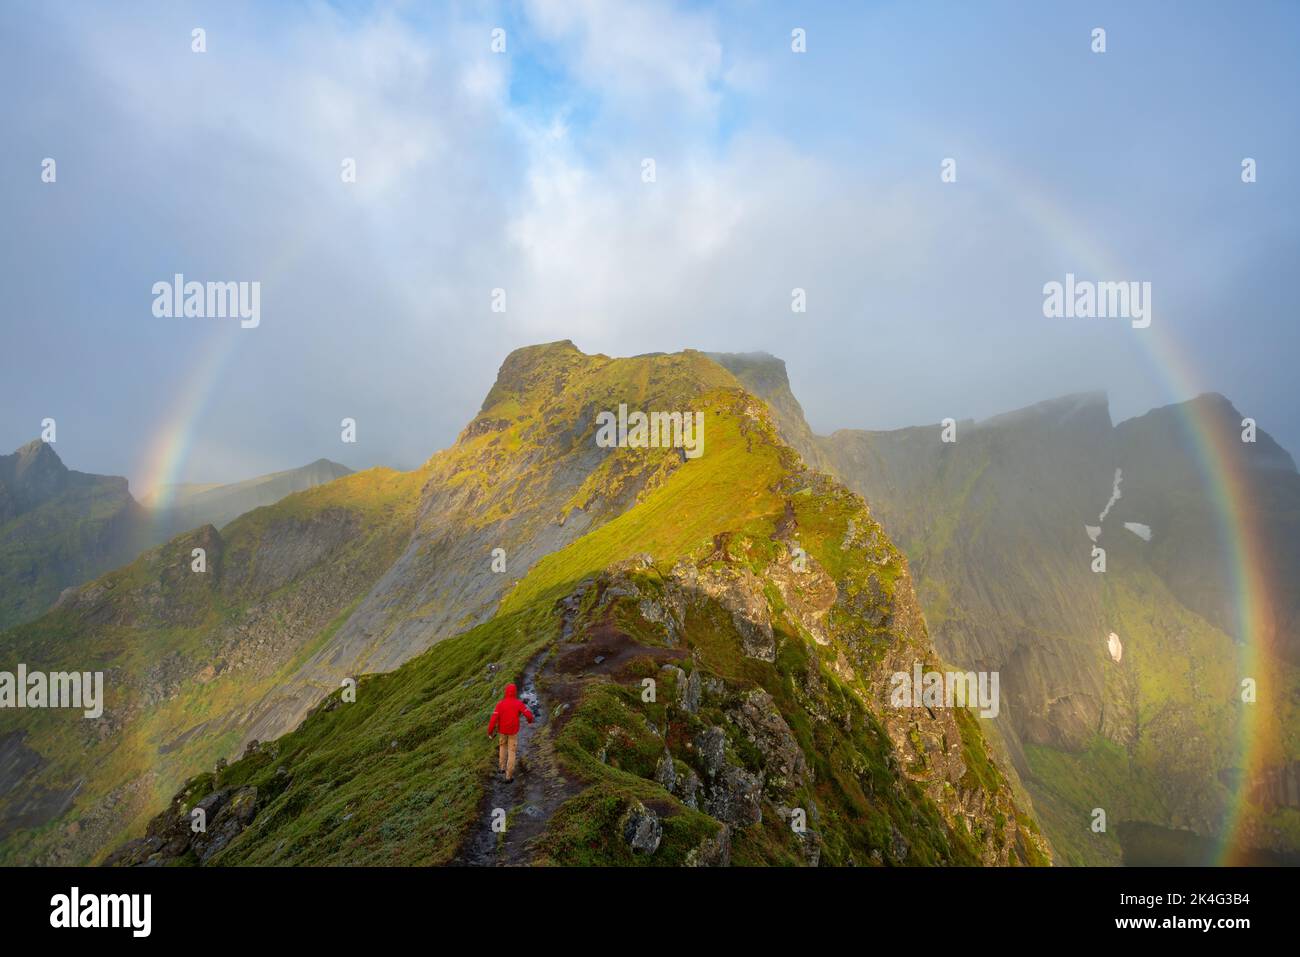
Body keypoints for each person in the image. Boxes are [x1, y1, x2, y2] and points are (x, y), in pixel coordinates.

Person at [487, 682, 534, 781]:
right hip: (513, 732)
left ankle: (501, 768)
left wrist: (490, 732)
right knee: (511, 752)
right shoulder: (518, 703)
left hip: (502, 731)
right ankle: (508, 776)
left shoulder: (500, 704)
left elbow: (493, 719)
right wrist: (529, 721)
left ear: (506, 692)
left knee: (502, 747)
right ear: (515, 692)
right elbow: (529, 715)